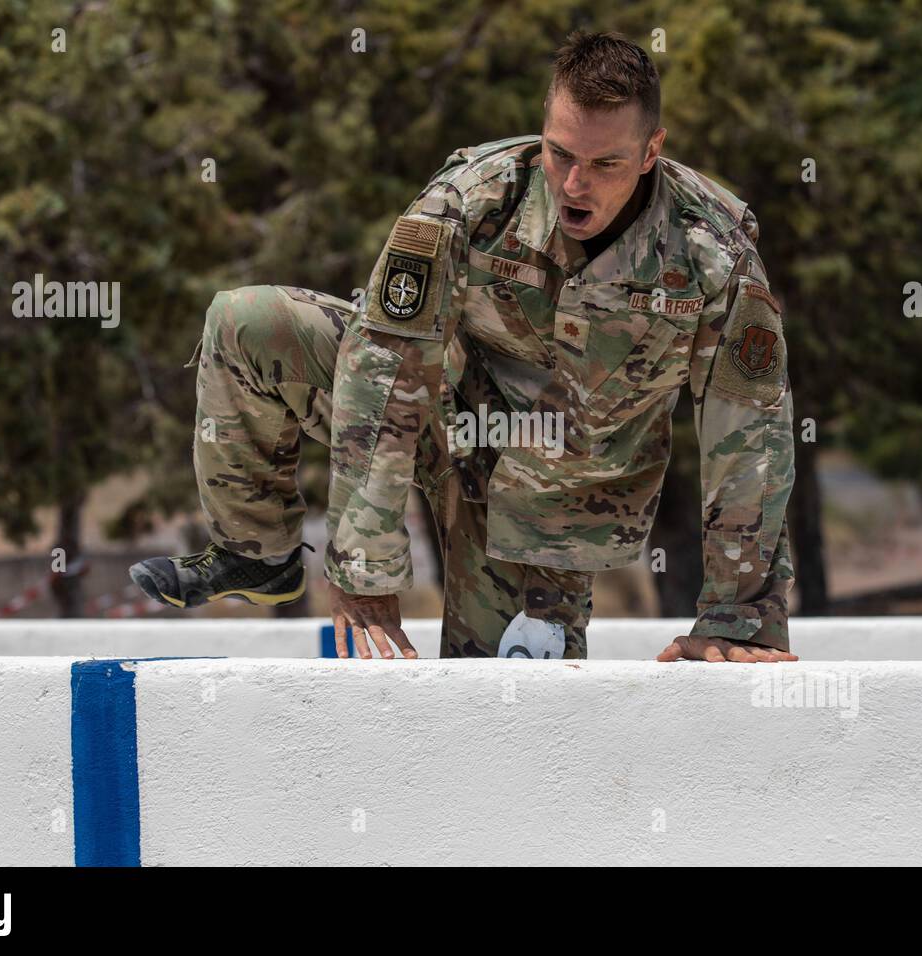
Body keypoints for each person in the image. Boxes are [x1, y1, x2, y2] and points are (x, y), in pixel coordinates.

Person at [131, 31, 798, 664]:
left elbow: (750, 434)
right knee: (248, 321)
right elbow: (385, 361)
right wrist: (365, 564)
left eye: (605, 164)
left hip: (552, 504)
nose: (573, 184)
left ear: (651, 152)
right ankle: (259, 551)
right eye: (560, 153)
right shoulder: (472, 200)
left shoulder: (711, 250)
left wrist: (737, 616)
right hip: (438, 420)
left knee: (506, 714)